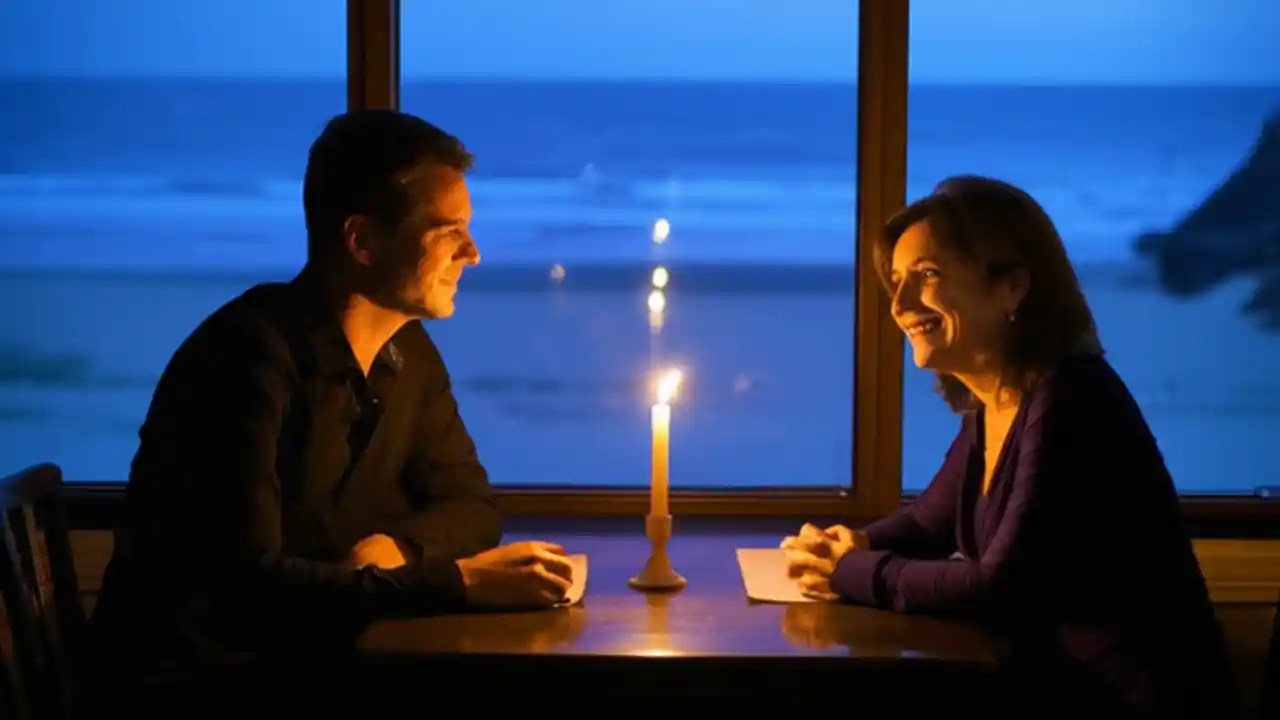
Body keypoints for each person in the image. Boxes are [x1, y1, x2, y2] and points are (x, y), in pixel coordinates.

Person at [82, 110, 575, 712]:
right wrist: (458, 582)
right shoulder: (244, 361)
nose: (472, 254)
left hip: (310, 663)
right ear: (362, 241)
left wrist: (399, 550)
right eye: (448, 232)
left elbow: (473, 509)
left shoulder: (409, 356)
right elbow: (249, 588)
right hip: (195, 686)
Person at [782, 175, 1238, 718]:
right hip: (1058, 690)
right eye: (897, 282)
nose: (900, 304)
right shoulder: (998, 401)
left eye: (927, 275)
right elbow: (927, 524)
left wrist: (853, 571)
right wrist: (843, 546)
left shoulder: (1071, 397)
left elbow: (998, 585)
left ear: (1012, 287)